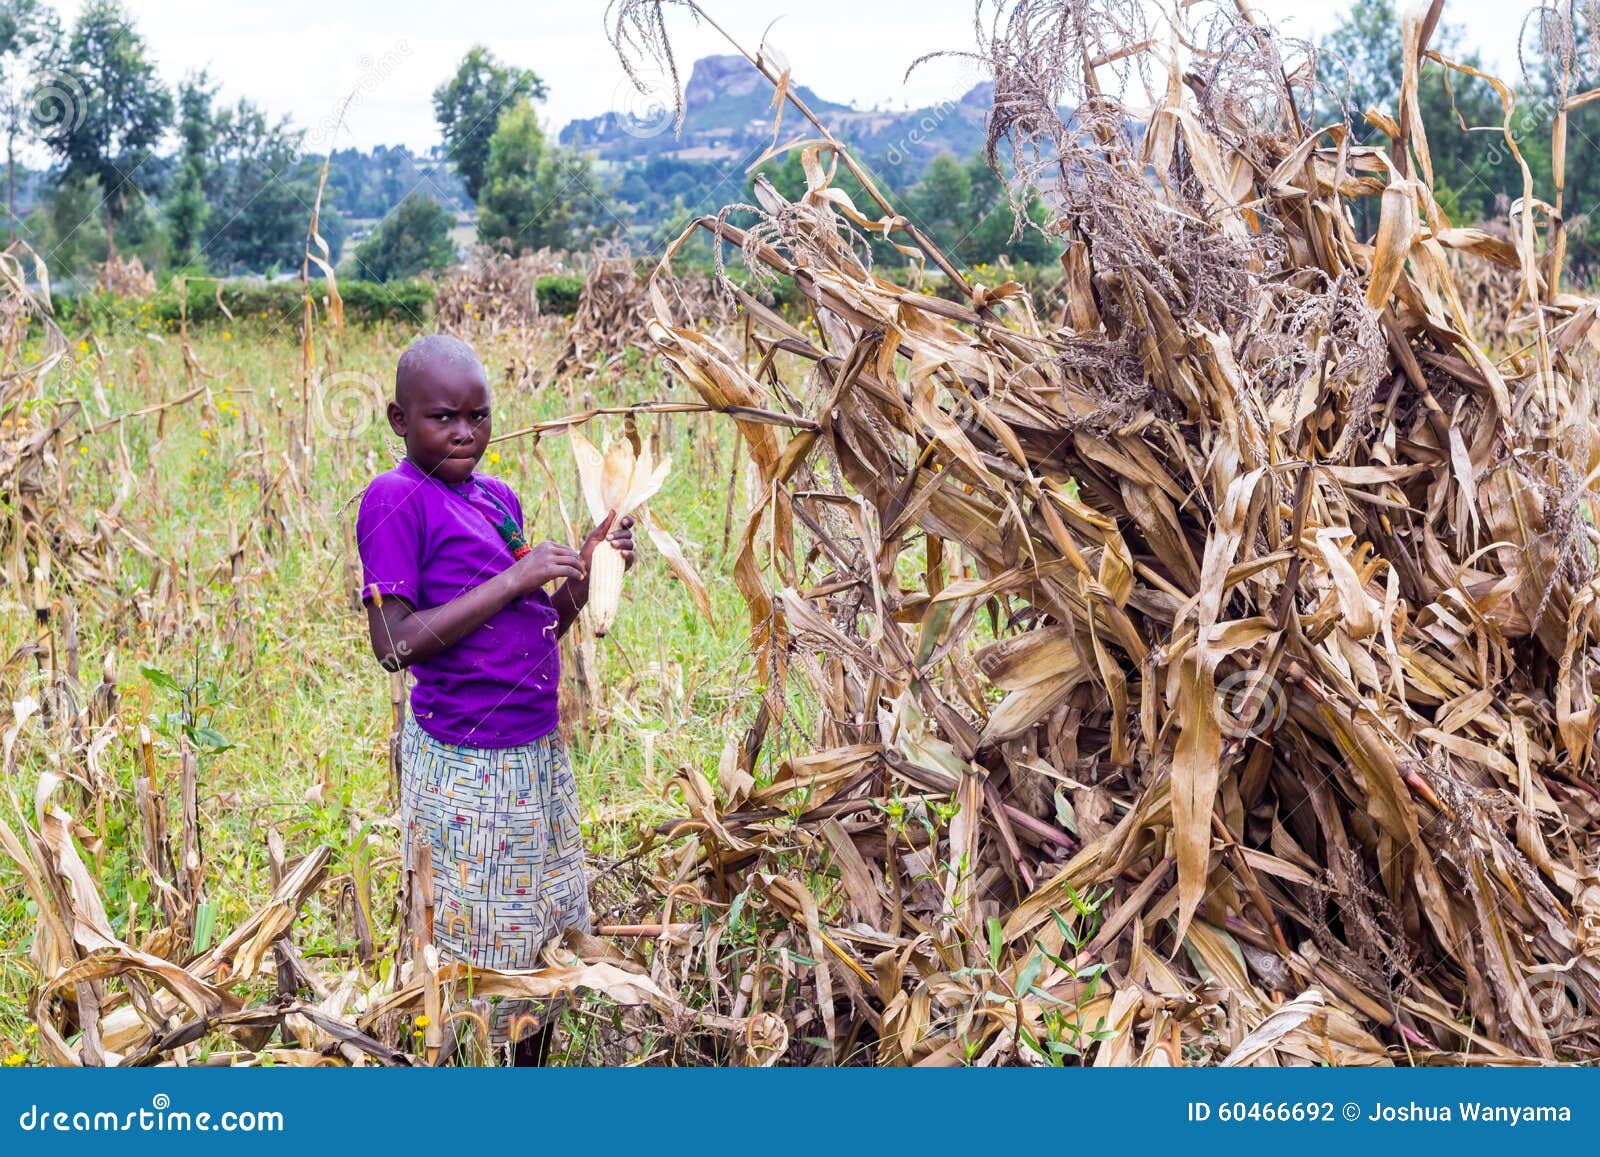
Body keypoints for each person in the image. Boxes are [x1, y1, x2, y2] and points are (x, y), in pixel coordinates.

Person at [354, 334, 633, 1065]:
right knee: (481, 941)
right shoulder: (395, 499)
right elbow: (394, 643)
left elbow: (541, 620)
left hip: (534, 753)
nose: (464, 433)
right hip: (468, 764)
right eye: (444, 417)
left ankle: (527, 1078)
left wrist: (589, 563)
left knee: (539, 930)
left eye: (478, 416)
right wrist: (517, 577)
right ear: (398, 419)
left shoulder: (496, 497)